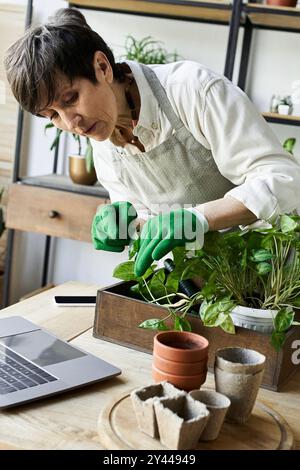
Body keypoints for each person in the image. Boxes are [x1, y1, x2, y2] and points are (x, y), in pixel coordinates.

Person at [5, 8, 300, 277]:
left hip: (274, 271)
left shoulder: (192, 90)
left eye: (71, 99)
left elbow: (283, 180)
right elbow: (151, 222)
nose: (71, 124)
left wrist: (197, 218)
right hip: (207, 284)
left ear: (102, 67)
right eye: (52, 115)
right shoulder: (102, 138)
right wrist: (128, 224)